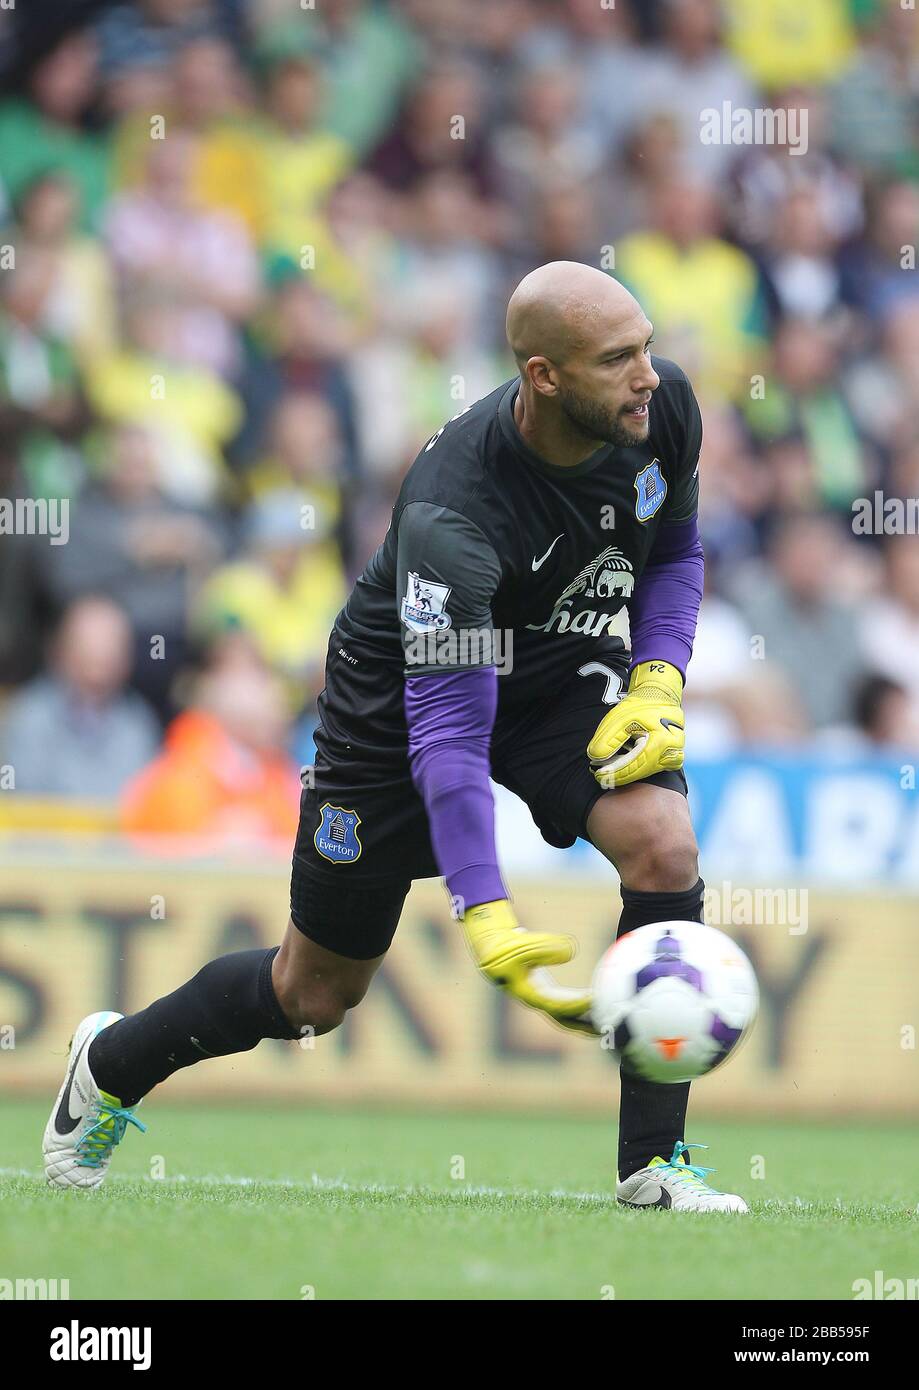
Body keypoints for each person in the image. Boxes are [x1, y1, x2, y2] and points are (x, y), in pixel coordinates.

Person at [43, 262, 746, 1212]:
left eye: (647, 345)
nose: (648, 374)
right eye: (618, 357)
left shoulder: (659, 412)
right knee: (315, 995)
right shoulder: (454, 511)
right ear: (542, 376)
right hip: (401, 695)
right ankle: (110, 1061)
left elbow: (673, 553)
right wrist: (484, 910)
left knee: (663, 843)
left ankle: (651, 1168)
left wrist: (658, 675)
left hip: (549, 672)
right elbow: (449, 734)